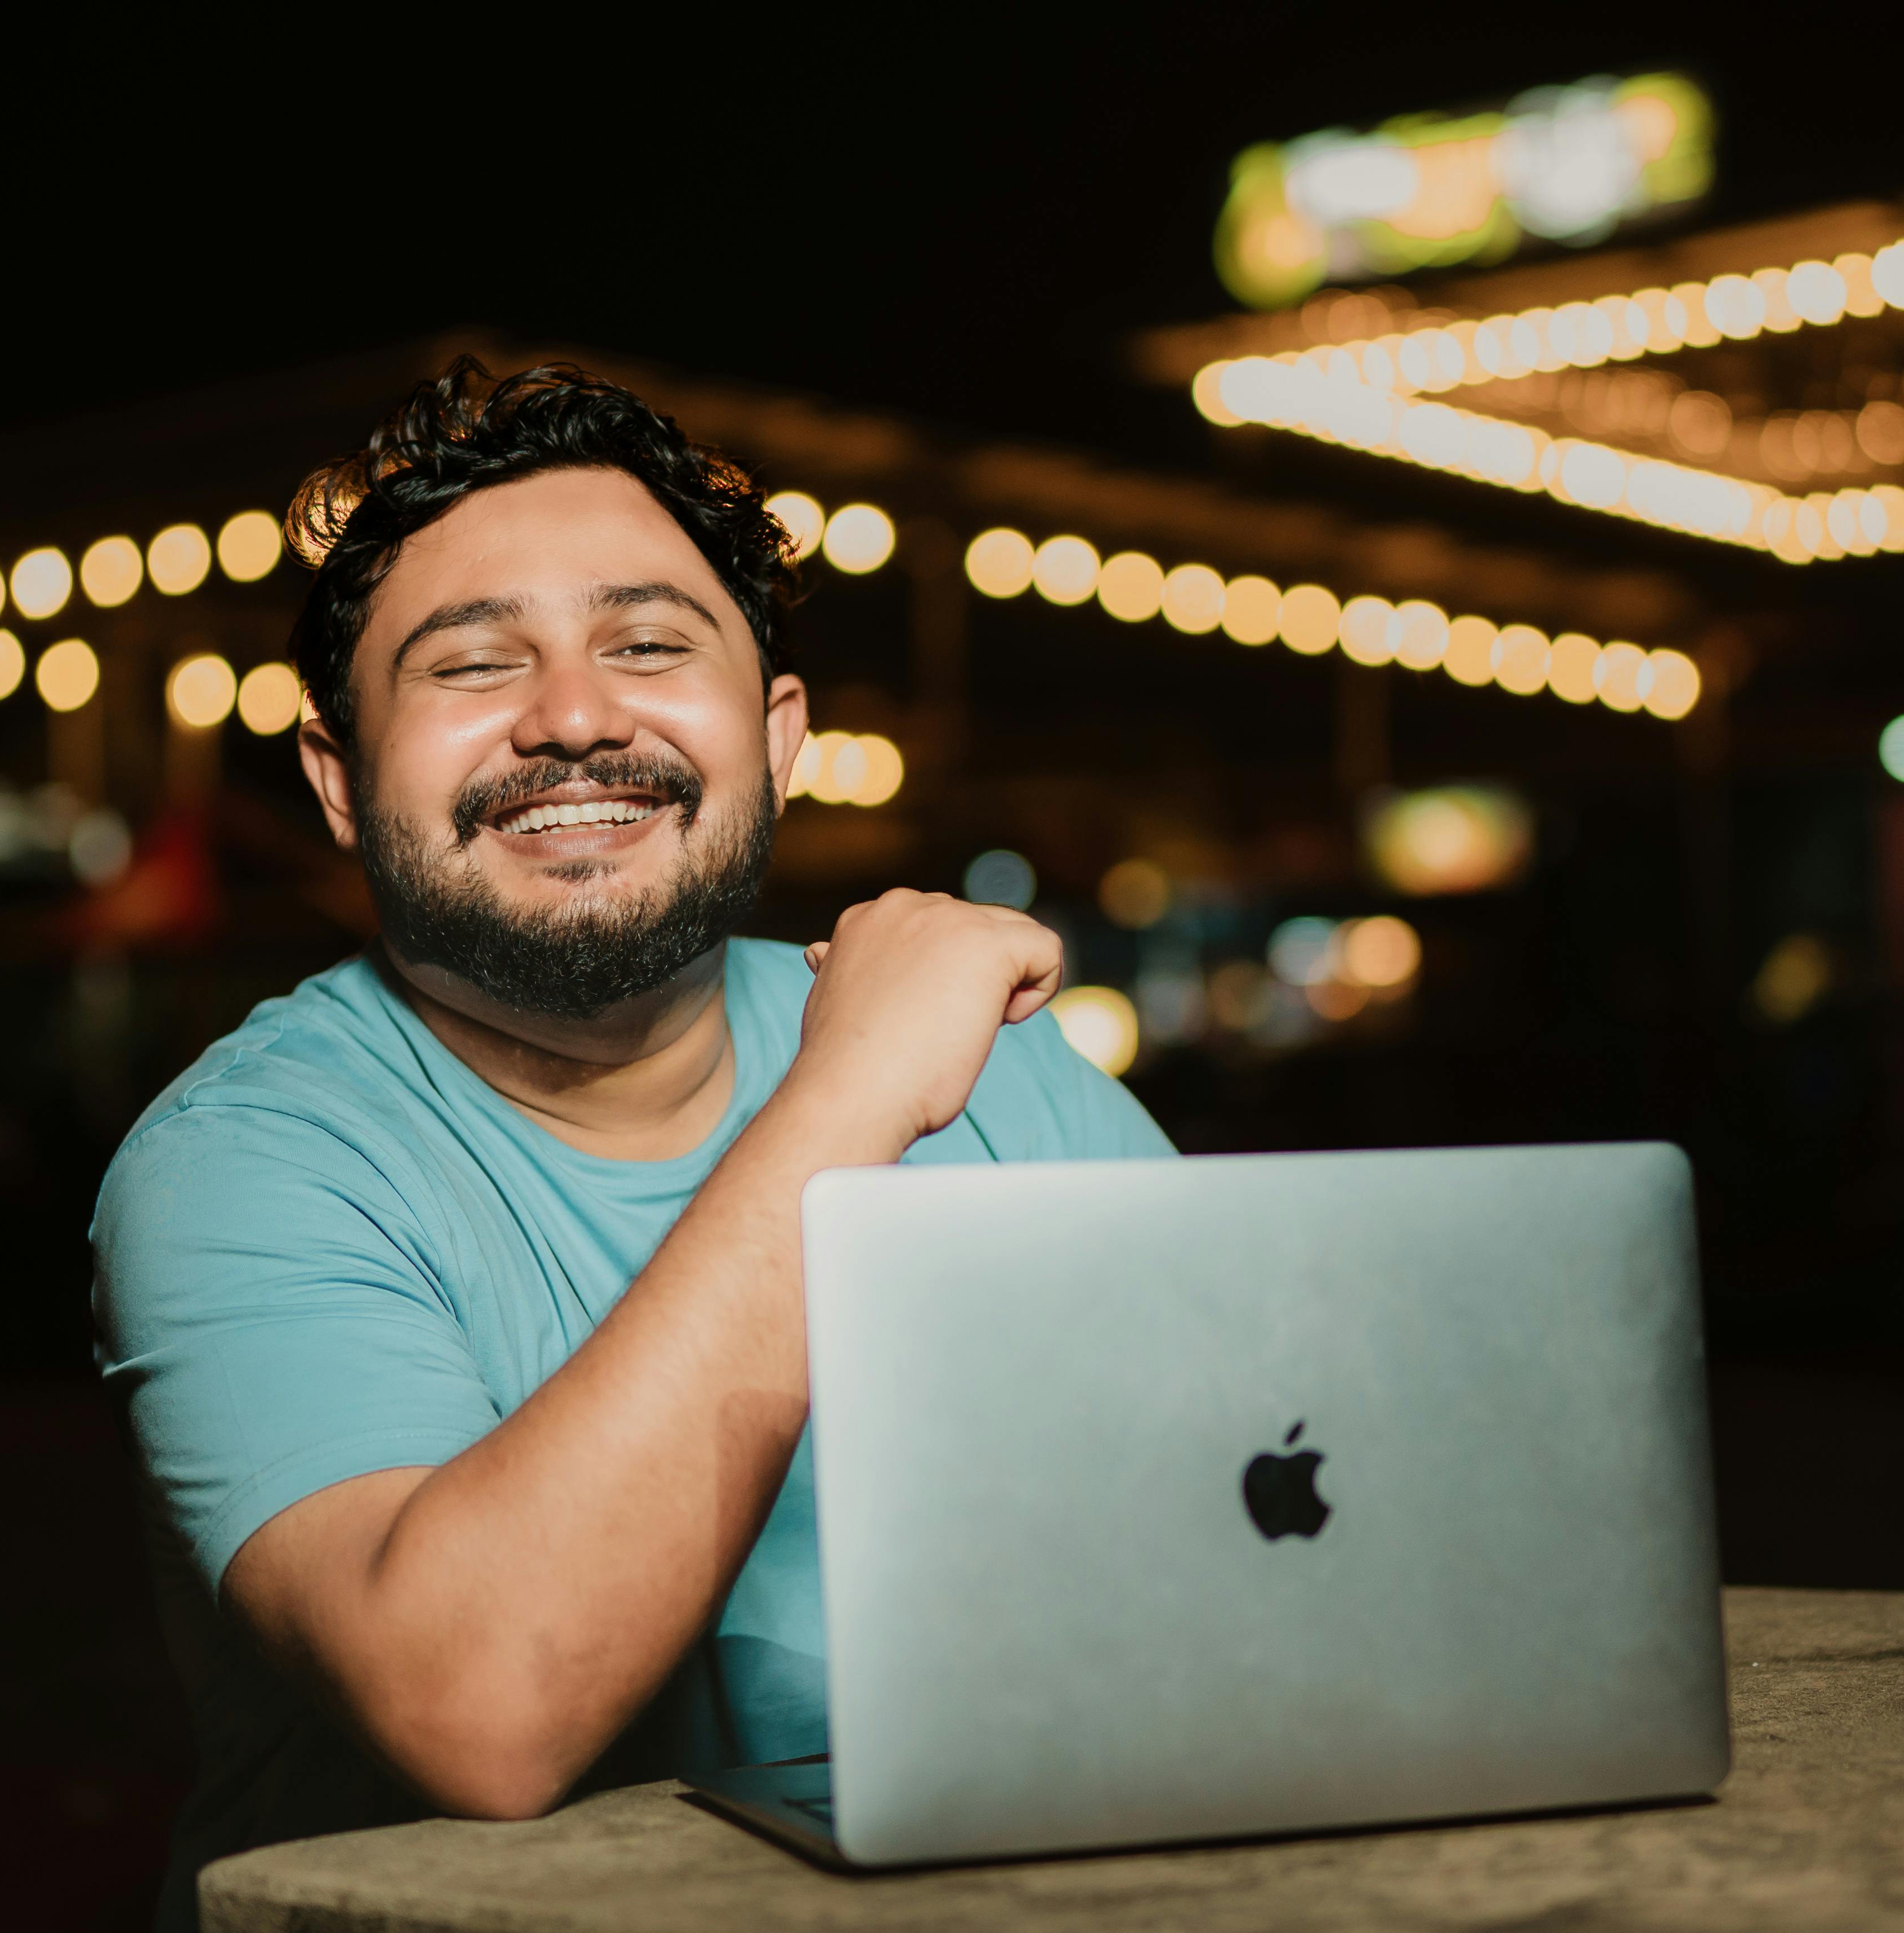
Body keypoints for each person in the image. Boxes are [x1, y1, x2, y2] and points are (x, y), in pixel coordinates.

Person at [92, 359, 1175, 1926]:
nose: (577, 717)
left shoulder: (1011, 1074)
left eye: (649, 645)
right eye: (472, 666)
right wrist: (850, 1096)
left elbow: (1269, 1497)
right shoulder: (244, 1164)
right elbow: (482, 1706)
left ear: (779, 733)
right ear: (339, 780)